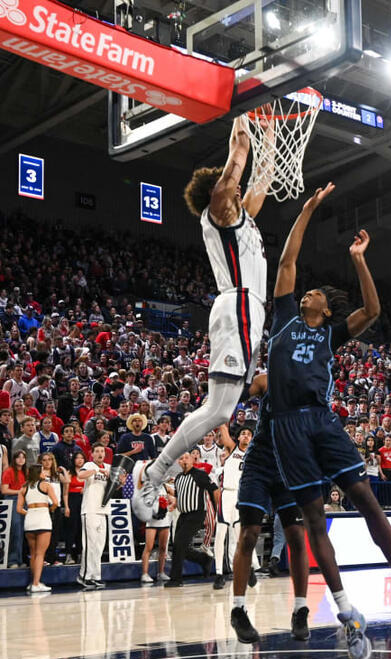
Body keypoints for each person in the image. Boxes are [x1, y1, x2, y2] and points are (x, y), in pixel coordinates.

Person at [265, 183, 391, 659]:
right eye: (307, 289)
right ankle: (347, 614)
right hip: (286, 426)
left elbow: (373, 310)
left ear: (324, 309)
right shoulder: (284, 318)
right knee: (314, 520)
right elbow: (287, 263)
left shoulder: (332, 333)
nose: (307, 290)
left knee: (365, 497)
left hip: (322, 421)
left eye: (316, 292)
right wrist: (306, 211)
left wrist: (360, 260)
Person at [136, 114, 272, 497]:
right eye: (229, 183)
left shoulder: (242, 217)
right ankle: (157, 470)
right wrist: (243, 110)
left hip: (250, 310)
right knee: (217, 410)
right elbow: (240, 154)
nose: (237, 185)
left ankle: (157, 471)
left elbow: (262, 176)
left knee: (224, 409)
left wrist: (272, 130)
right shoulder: (217, 212)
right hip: (239, 305)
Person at [226, 373, 311, 644]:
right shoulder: (266, 380)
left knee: (296, 537)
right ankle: (238, 609)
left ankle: (300, 609)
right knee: (249, 533)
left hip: (289, 466)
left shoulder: (310, 385)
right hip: (259, 464)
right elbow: (237, 395)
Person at [212, 424, 257, 590]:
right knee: (221, 533)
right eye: (243, 434)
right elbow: (223, 430)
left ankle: (250, 568)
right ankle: (218, 574)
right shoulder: (232, 448)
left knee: (242, 536)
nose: (245, 436)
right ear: (238, 438)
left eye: (248, 434)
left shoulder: (254, 455)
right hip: (227, 494)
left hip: (242, 495)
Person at [166, 452, 218, 587]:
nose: (184, 460)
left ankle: (176, 579)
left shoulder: (200, 475)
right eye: (181, 458)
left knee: (179, 543)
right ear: (178, 462)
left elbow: (214, 489)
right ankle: (204, 559)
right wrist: (173, 504)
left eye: (186, 458)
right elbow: (179, 496)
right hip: (183, 515)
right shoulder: (178, 478)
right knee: (177, 546)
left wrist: (218, 509)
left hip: (197, 514)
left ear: (192, 460)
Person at [17, 464, 59, 593]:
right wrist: (49, 510)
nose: (45, 473)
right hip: (42, 519)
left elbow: (19, 509)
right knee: (41, 553)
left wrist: (29, 513)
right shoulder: (46, 485)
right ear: (39, 473)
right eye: (43, 471)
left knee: (33, 553)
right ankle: (36, 583)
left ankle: (33, 582)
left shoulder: (24, 488)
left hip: (30, 521)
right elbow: (56, 503)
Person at [78, 445, 111, 590]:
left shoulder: (109, 467)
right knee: (89, 545)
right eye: (97, 451)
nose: (100, 453)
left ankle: (96, 576)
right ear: (92, 454)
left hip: (103, 510)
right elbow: (80, 476)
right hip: (90, 509)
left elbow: (116, 486)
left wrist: (118, 480)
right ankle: (85, 576)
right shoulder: (89, 465)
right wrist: (98, 470)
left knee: (99, 546)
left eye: (102, 451)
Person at [0, 449, 27, 568]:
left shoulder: (26, 472)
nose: (21, 459)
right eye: (18, 457)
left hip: (24, 501)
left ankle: (20, 560)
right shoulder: (9, 471)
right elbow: (4, 490)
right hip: (12, 500)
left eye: (23, 457)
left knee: (21, 532)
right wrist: (20, 492)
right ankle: (12, 561)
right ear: (14, 459)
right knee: (15, 531)